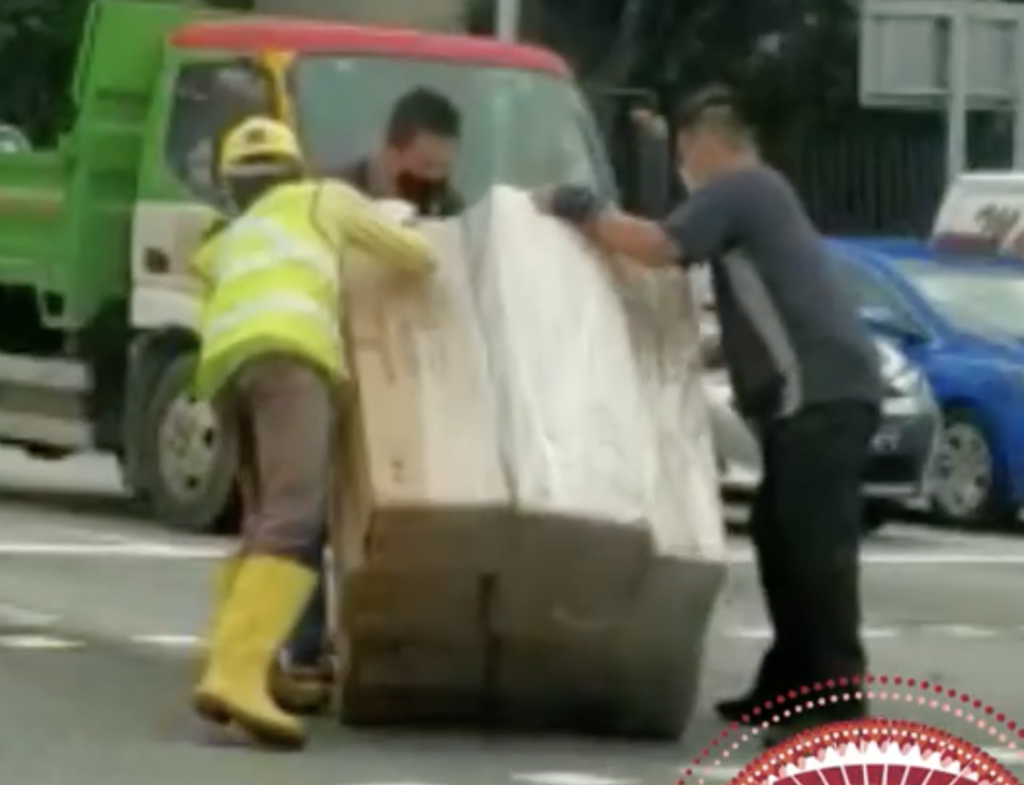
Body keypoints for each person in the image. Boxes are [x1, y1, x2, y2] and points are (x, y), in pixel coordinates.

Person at [534, 86, 883, 743]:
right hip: (817, 395)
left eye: (685, 154)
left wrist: (580, 208)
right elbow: (758, 311)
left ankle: (835, 705)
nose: (683, 171)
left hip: (822, 396)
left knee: (815, 551)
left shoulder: (743, 186)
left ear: (707, 143)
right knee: (781, 540)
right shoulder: (764, 197)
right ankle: (788, 684)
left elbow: (659, 245)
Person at [190, 115, 434, 750]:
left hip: (225, 370)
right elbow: (418, 257)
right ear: (296, 168)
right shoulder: (324, 199)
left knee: (263, 517)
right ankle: (236, 673)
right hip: (291, 360)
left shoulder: (228, 238)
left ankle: (252, 666)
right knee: (295, 518)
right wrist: (400, 223)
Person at [274, 86, 466, 715]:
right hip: (320, 365)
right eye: (422, 168)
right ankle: (302, 651)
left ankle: (385, 648)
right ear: (390, 151)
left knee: (389, 523)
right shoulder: (330, 195)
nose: (432, 184)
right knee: (304, 515)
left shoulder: (447, 207)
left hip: (398, 386)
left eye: (442, 172)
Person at [328, 86, 464, 216]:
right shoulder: (331, 199)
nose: (436, 177)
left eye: (443, 166)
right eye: (427, 165)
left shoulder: (450, 209)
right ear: (390, 154)